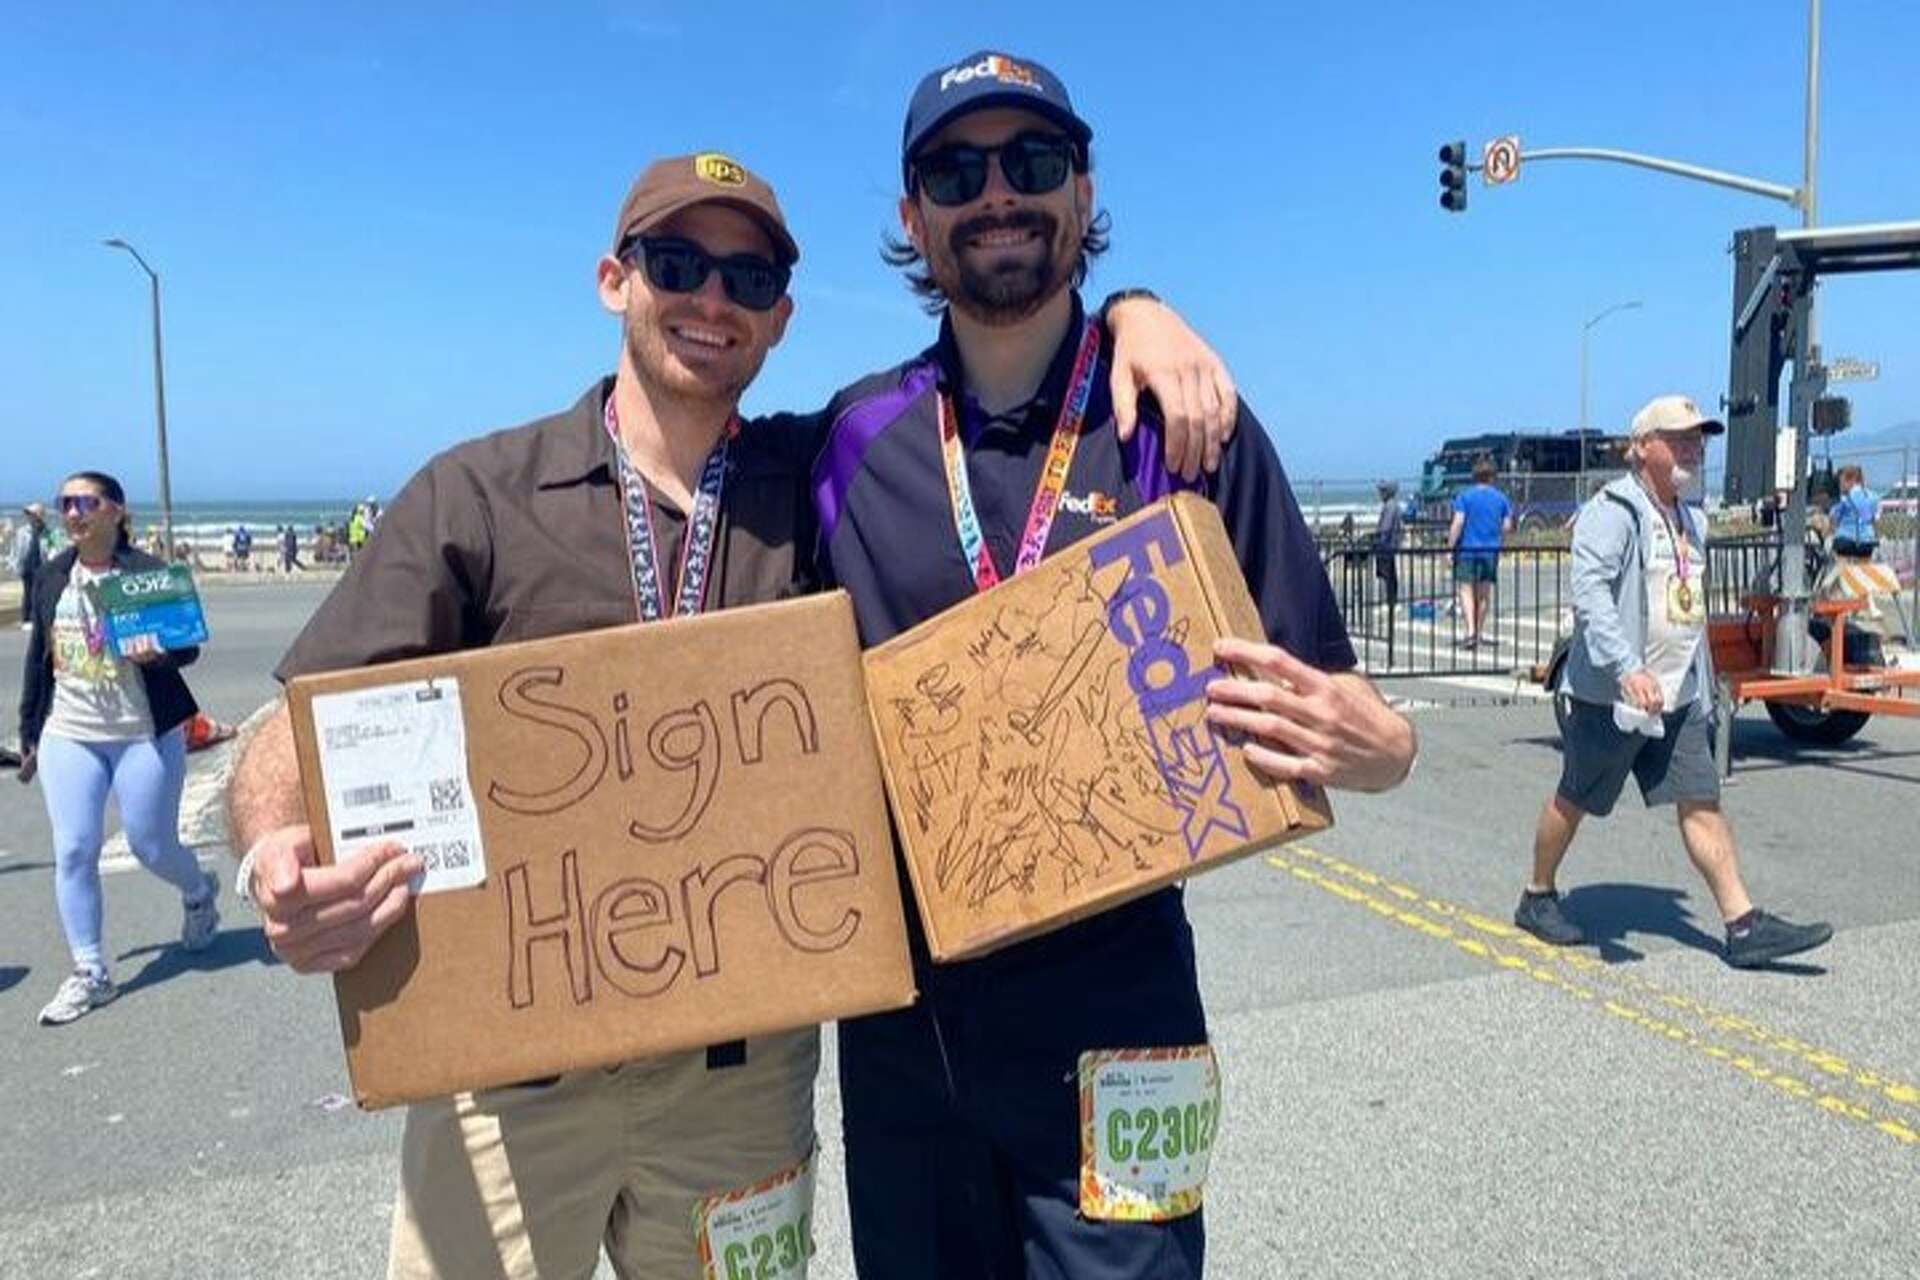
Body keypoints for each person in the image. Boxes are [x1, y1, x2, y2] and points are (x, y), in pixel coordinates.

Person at [223, 151, 1238, 1279]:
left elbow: (989, 380)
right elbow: (293, 729)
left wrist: (1136, 314)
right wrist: (275, 844)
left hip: (738, 1085)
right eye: (678, 263)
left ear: (781, 318)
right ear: (616, 279)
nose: (712, 300)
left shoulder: (813, 475)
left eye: (749, 281)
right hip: (515, 1086)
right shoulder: (480, 494)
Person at [813, 51, 1416, 1277]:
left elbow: (1336, 705)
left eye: (1032, 163)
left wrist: (1389, 749)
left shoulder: (1186, 425)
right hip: (903, 1031)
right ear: (912, 214)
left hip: (1125, 1012)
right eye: (955, 169)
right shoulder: (847, 442)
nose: (997, 194)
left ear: (1083, 192)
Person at [1516, 394, 1833, 968]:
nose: (1694, 447)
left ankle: (1742, 925)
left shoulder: (1694, 517)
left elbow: (1686, 609)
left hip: (1679, 695)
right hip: (1612, 696)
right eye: (1680, 437)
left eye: (1699, 439)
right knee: (1576, 797)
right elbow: (1590, 598)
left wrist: (1702, 685)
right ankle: (1537, 895)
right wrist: (1626, 668)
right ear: (1642, 447)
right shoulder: (1611, 511)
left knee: (1701, 802)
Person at [17, 470, 220, 1026]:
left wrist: (161, 655)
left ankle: (199, 891)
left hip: (142, 732)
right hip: (71, 732)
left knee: (152, 845)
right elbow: (40, 656)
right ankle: (90, 971)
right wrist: (29, 729)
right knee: (75, 850)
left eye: (85, 502)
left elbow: (187, 648)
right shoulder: (54, 576)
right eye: (65, 503)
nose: (73, 513)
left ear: (116, 511)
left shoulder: (149, 574)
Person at [1448, 455, 1512, 649]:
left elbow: (1458, 522)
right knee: (1484, 594)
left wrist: (1449, 547)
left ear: (1474, 476)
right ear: (1492, 476)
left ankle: (1470, 632)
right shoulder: (1501, 498)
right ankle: (1479, 631)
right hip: (1489, 551)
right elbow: (1507, 526)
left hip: (1468, 550)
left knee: (1466, 591)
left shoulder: (1464, 496)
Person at [1830, 463, 1880, 559]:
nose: (1840, 487)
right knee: (1863, 566)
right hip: (1867, 541)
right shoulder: (1873, 496)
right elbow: (1874, 519)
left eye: (1841, 483)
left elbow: (1835, 518)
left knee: (1841, 565)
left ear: (1851, 481)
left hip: (1846, 540)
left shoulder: (1846, 498)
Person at [13, 502, 49, 631]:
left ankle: (36, 619)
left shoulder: (46, 532)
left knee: (39, 593)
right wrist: (16, 566)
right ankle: (26, 619)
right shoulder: (22, 531)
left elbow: (51, 550)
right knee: (27, 593)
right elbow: (17, 550)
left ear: (39, 516)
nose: (30, 517)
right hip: (27, 566)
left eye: (32, 514)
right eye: (28, 514)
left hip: (41, 566)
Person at [1372, 479, 1404, 610]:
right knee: (1389, 574)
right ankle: (1391, 601)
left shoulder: (1390, 507)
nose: (1380, 494)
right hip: (1389, 545)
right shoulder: (1392, 505)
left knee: (1387, 575)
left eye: (1382, 491)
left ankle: (1390, 601)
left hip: (1386, 546)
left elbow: (1386, 526)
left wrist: (1378, 541)